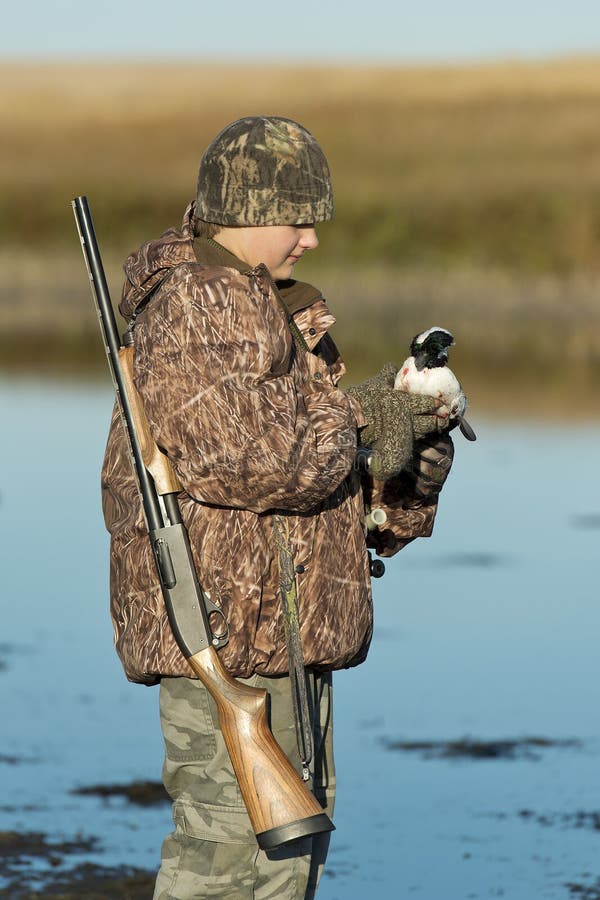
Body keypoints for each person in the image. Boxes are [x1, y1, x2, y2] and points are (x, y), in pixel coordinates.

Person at [101, 115, 455, 899]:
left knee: (284, 865)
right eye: (300, 220)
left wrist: (408, 473)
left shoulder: (274, 309)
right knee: (227, 862)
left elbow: (326, 495)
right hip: (232, 640)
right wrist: (367, 414)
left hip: (285, 639)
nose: (311, 241)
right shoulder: (199, 305)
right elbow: (261, 461)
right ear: (251, 209)